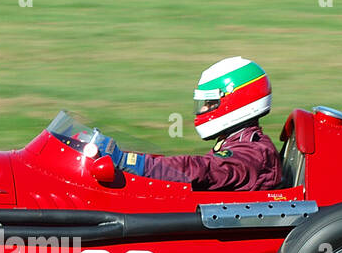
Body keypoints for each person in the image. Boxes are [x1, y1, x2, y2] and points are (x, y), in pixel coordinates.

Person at [118, 57, 282, 192]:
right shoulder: (237, 141)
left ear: (236, 101)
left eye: (209, 103)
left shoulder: (253, 153)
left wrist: (135, 163)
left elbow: (203, 169)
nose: (203, 108)